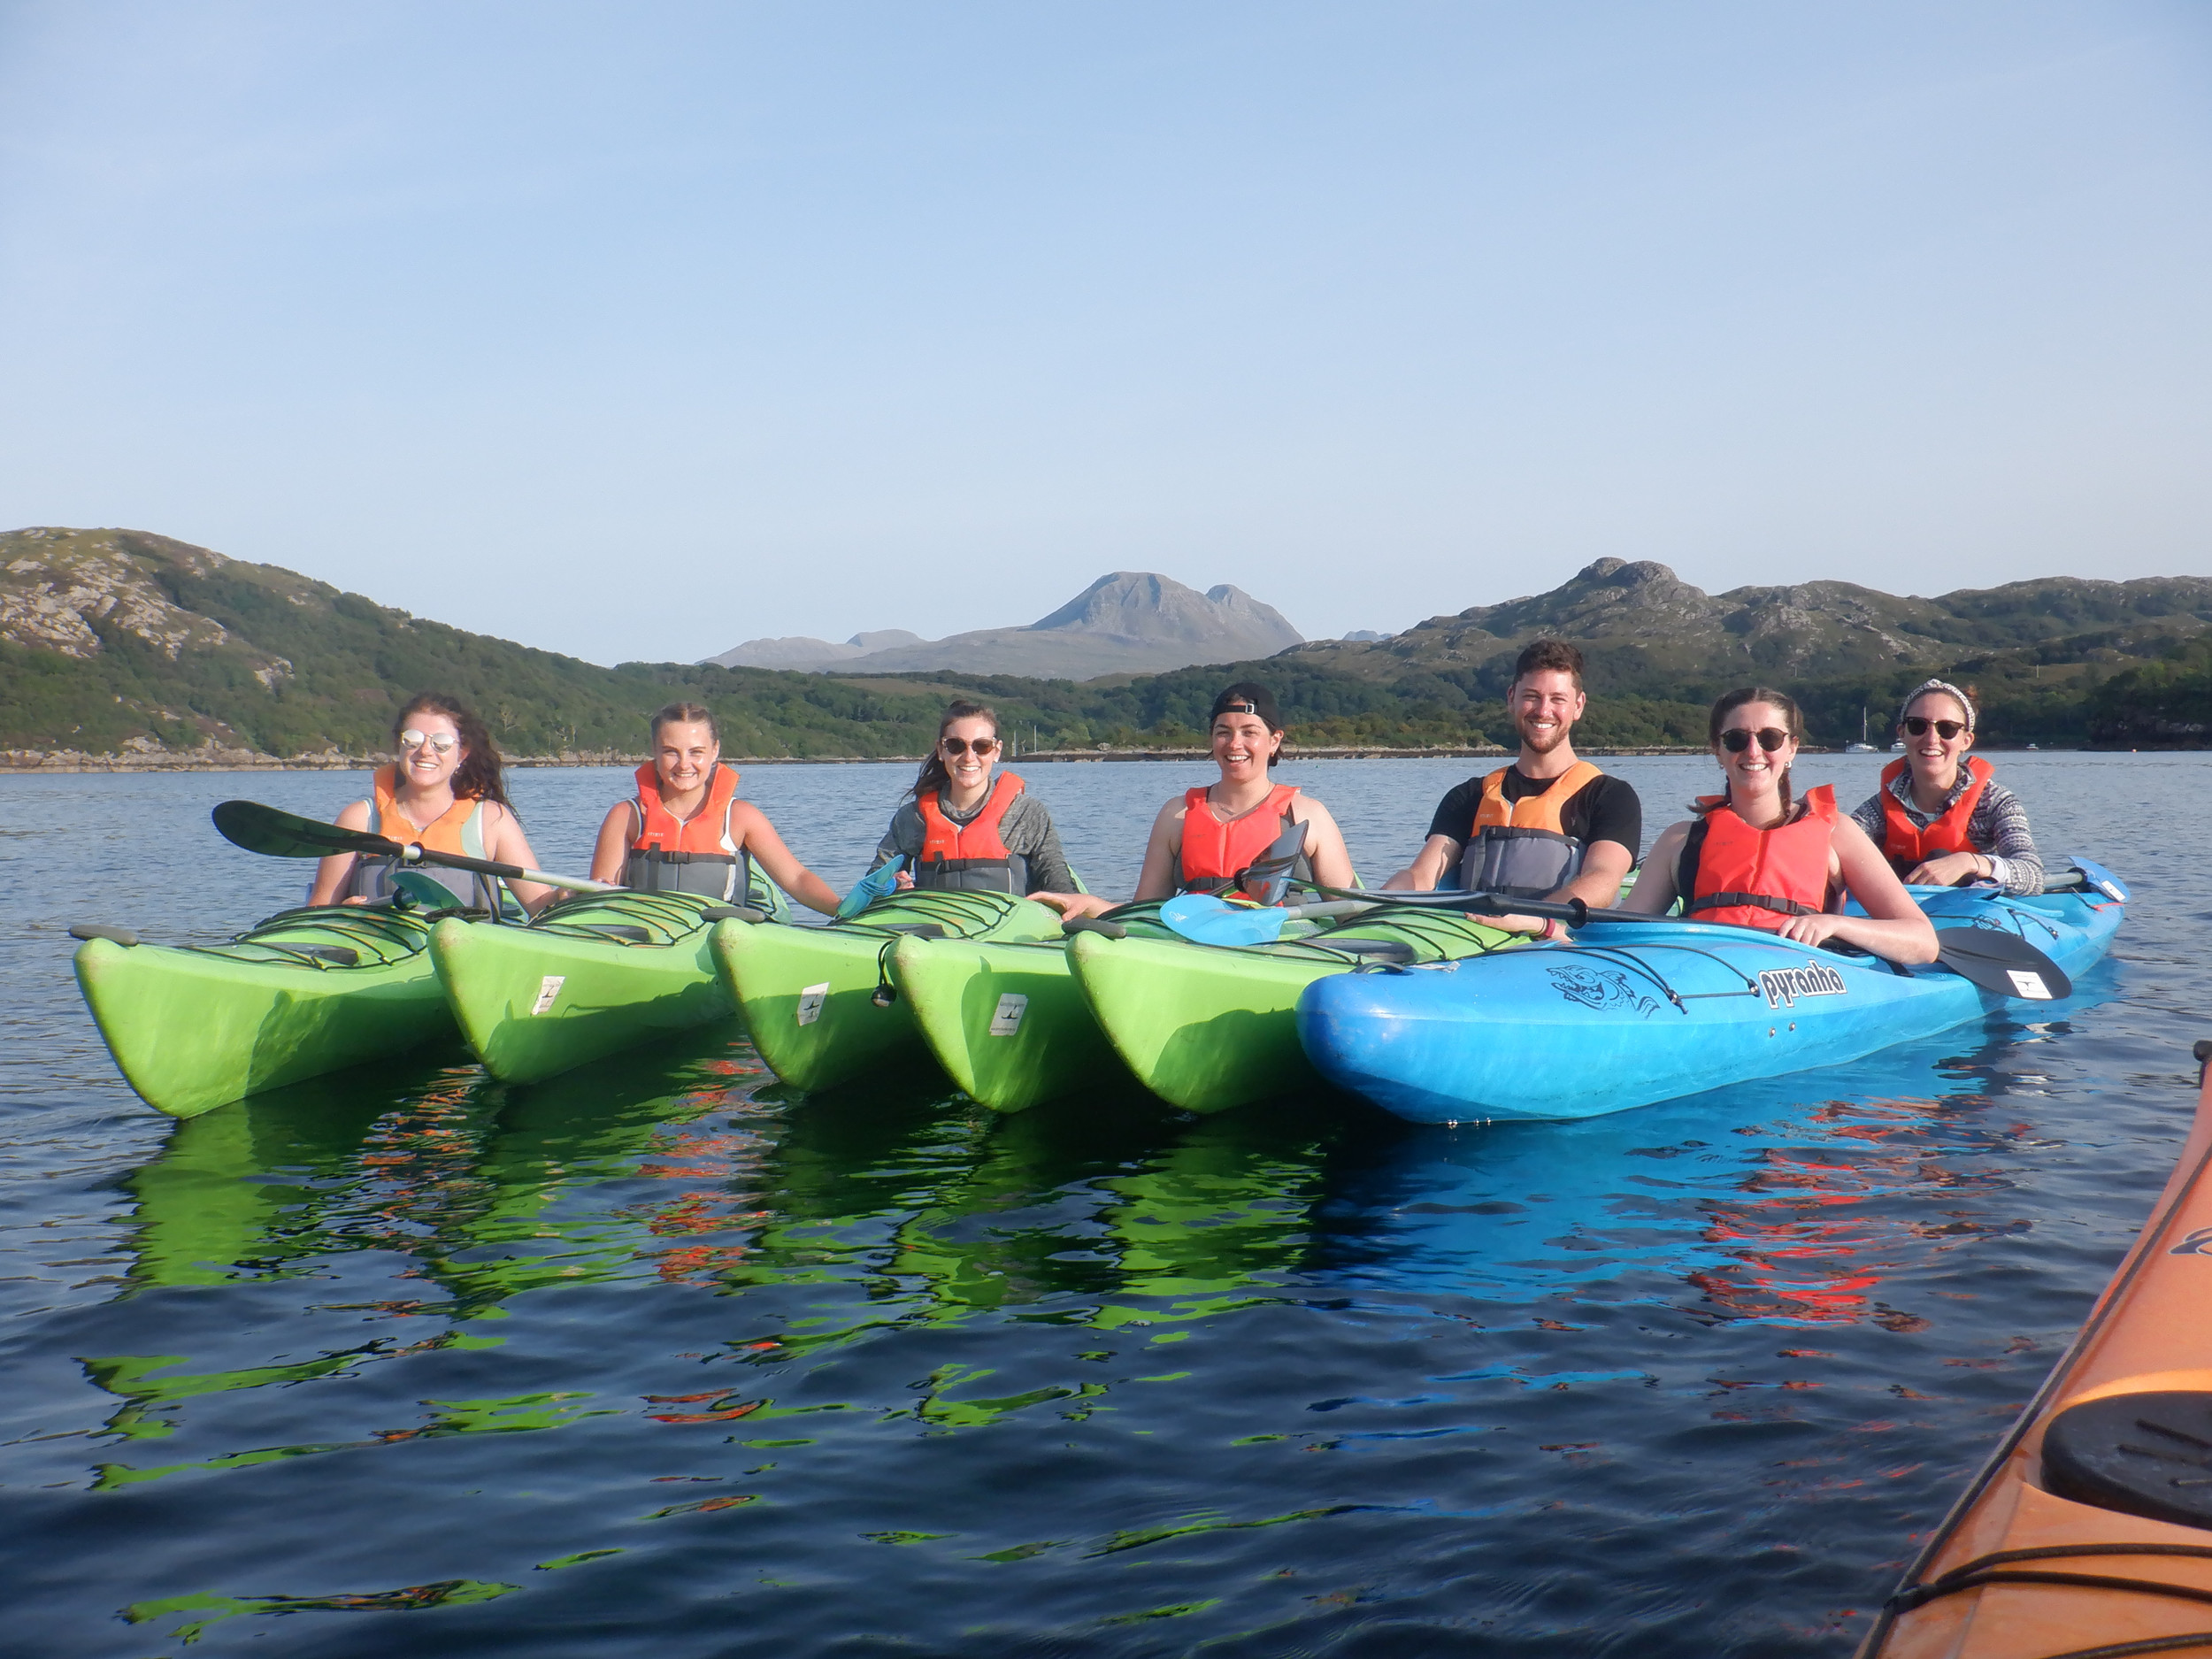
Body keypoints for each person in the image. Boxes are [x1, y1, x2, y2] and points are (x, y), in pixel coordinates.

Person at [1625, 687, 1938, 964]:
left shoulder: (1837, 833)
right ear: (1717, 751)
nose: (1753, 751)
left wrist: (1834, 924)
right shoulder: (1680, 839)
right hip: (1702, 976)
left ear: (1791, 749)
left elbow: (1922, 941)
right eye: (1736, 739)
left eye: (1770, 738)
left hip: (1799, 978)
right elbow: (1621, 929)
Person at [1382, 639, 1641, 941]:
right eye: (1531, 696)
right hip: (1475, 939)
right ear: (1511, 698)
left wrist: (1533, 920)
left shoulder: (1611, 796)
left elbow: (1603, 879)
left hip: (1557, 941)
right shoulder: (1469, 796)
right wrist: (1388, 898)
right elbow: (1423, 875)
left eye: (1558, 699)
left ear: (1578, 706)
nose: (1543, 711)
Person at [1036, 681, 1356, 919]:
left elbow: (1351, 913)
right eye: (1223, 732)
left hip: (1280, 950)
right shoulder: (1177, 815)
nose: (1235, 744)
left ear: (1274, 741)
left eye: (1249, 732)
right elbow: (1145, 909)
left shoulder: (1306, 815)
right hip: (1197, 948)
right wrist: (1095, 907)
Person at [307, 692, 553, 913]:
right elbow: (318, 910)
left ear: (462, 754)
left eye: (442, 744)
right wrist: (340, 915)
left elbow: (541, 905)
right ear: (399, 746)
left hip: (464, 955)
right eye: (412, 739)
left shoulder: (491, 820)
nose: (425, 751)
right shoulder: (358, 819)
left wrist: (569, 898)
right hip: (379, 952)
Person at [588, 703, 841, 914]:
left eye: (696, 752)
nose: (684, 764)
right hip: (647, 942)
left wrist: (842, 911)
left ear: (715, 751)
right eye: (671, 752)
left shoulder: (742, 818)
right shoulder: (626, 816)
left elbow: (797, 879)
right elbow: (601, 895)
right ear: (654, 751)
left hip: (718, 943)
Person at [1849, 679, 2043, 895]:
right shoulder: (1877, 811)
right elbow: (1835, 854)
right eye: (1918, 726)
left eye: (1947, 729)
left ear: (1966, 740)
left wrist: (1969, 863)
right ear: (1902, 733)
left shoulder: (1995, 803)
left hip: (1969, 920)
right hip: (1901, 921)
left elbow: (2033, 875)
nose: (1932, 738)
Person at [868, 700, 1076, 895]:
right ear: (941, 750)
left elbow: (1057, 881)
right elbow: (874, 881)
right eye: (956, 746)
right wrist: (892, 885)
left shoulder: (1027, 813)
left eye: (981, 746)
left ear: (996, 751)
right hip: (936, 928)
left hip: (1008, 929)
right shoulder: (912, 818)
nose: (969, 757)